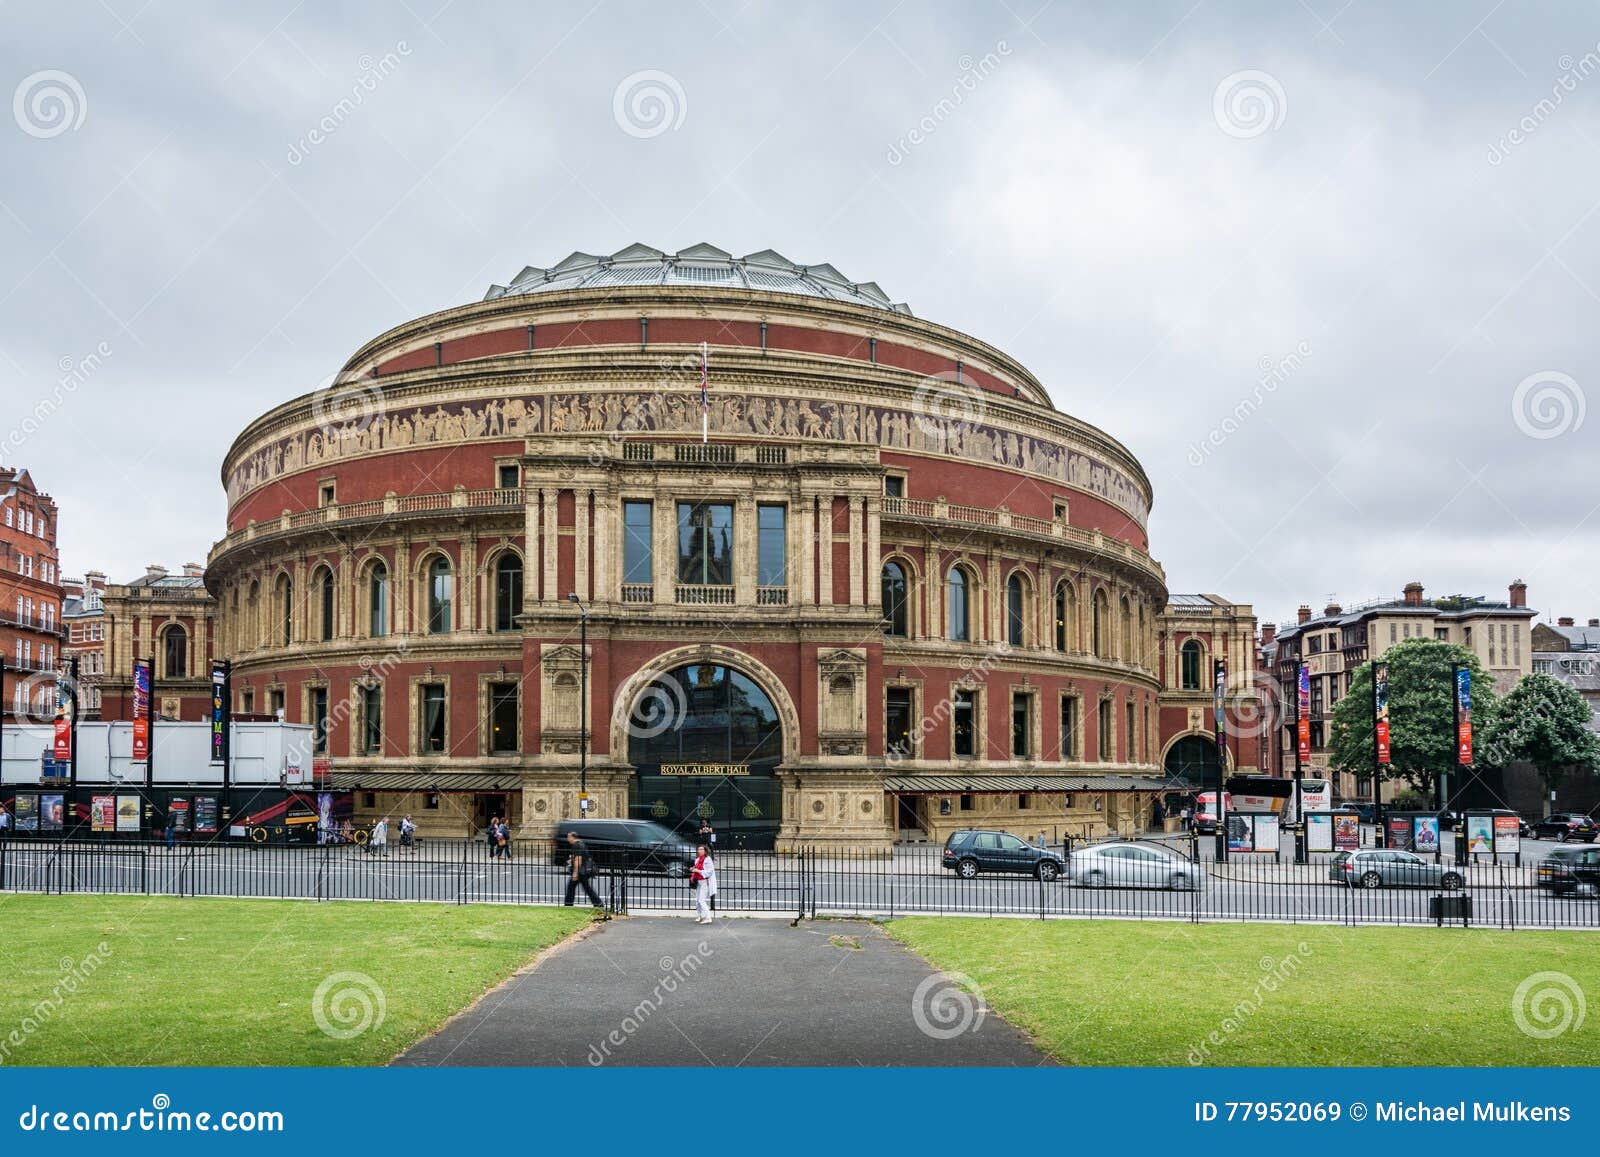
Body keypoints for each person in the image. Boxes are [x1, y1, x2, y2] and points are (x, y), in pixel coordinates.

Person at [564, 830, 604, 909]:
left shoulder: (576, 845)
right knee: (586, 888)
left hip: (580, 871)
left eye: (568, 837)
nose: (567, 839)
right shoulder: (581, 843)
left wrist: (575, 873)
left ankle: (568, 904)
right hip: (584, 870)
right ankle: (598, 903)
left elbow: (578, 859)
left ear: (572, 837)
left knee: (571, 888)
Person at [690, 843, 718, 924]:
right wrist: (693, 869)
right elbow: (696, 868)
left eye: (701, 849)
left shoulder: (708, 859)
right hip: (699, 881)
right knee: (697, 900)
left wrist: (697, 870)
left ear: (705, 851)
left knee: (701, 900)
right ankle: (700, 916)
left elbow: (709, 872)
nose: (699, 851)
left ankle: (708, 917)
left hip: (705, 882)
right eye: (699, 849)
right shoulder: (697, 859)